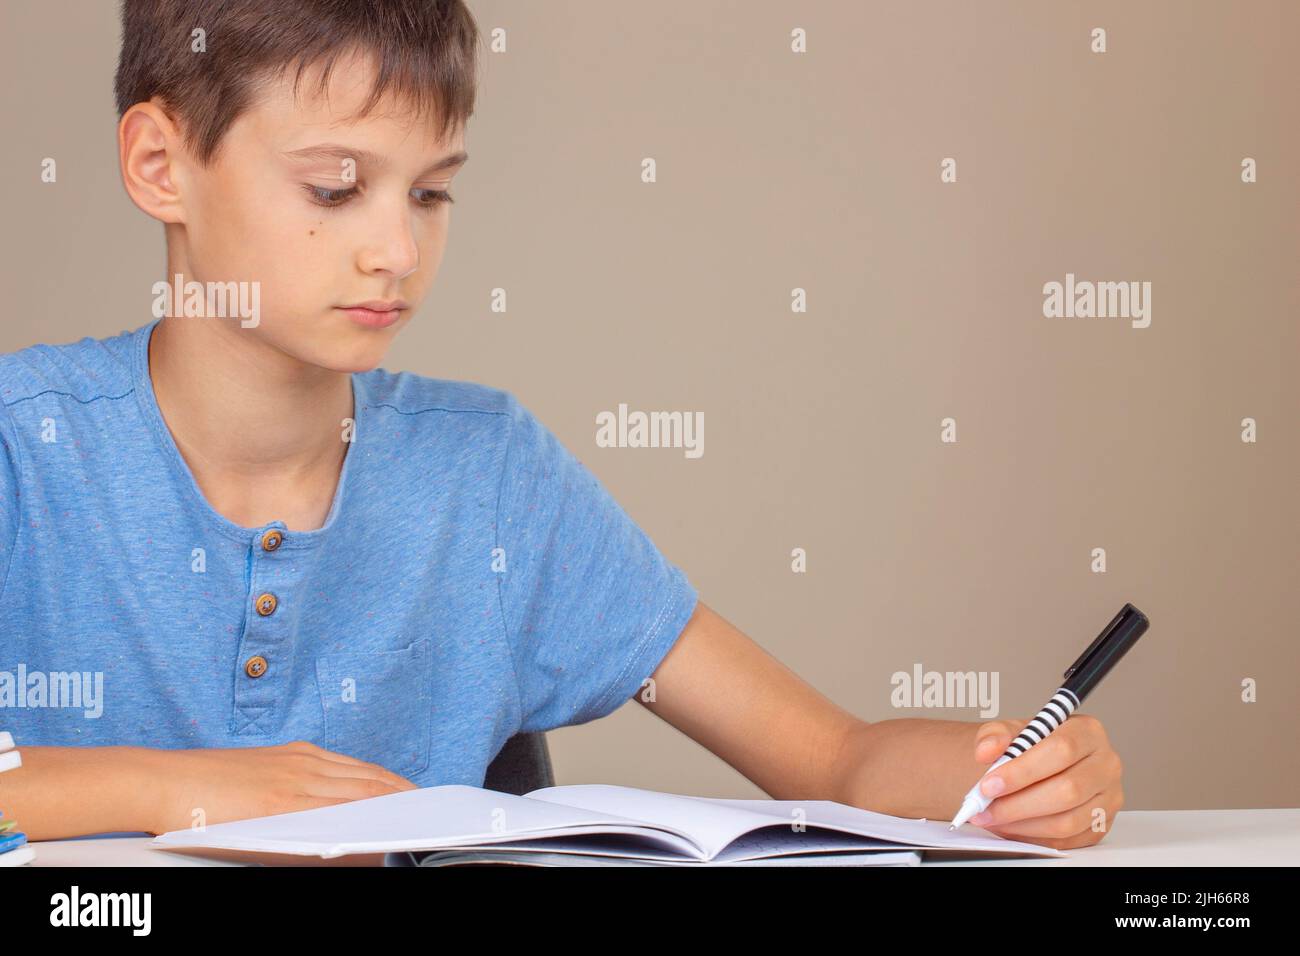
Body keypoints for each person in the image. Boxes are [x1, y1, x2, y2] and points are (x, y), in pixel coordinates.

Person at [0, 0, 1122, 847]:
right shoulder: (22, 448)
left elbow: (831, 753)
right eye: (336, 189)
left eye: (430, 192)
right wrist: (180, 788)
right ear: (160, 166)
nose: (397, 249)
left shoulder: (487, 475)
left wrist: (1006, 774)